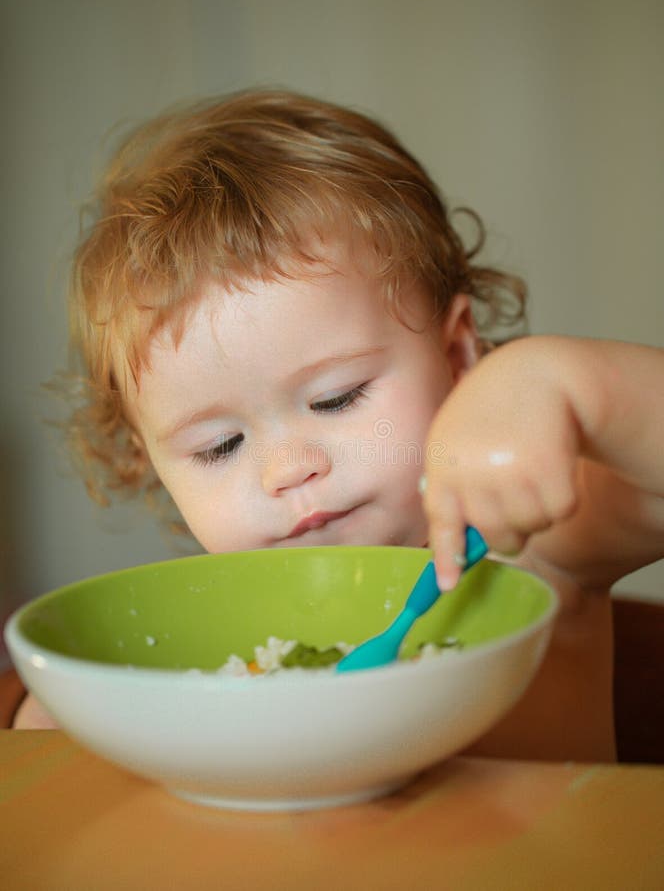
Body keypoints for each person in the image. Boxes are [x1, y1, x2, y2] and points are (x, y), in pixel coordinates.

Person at [13, 90, 664, 760]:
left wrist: (556, 379)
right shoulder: (185, 646)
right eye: (220, 446)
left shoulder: (532, 539)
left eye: (336, 398)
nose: (289, 468)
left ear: (456, 354)